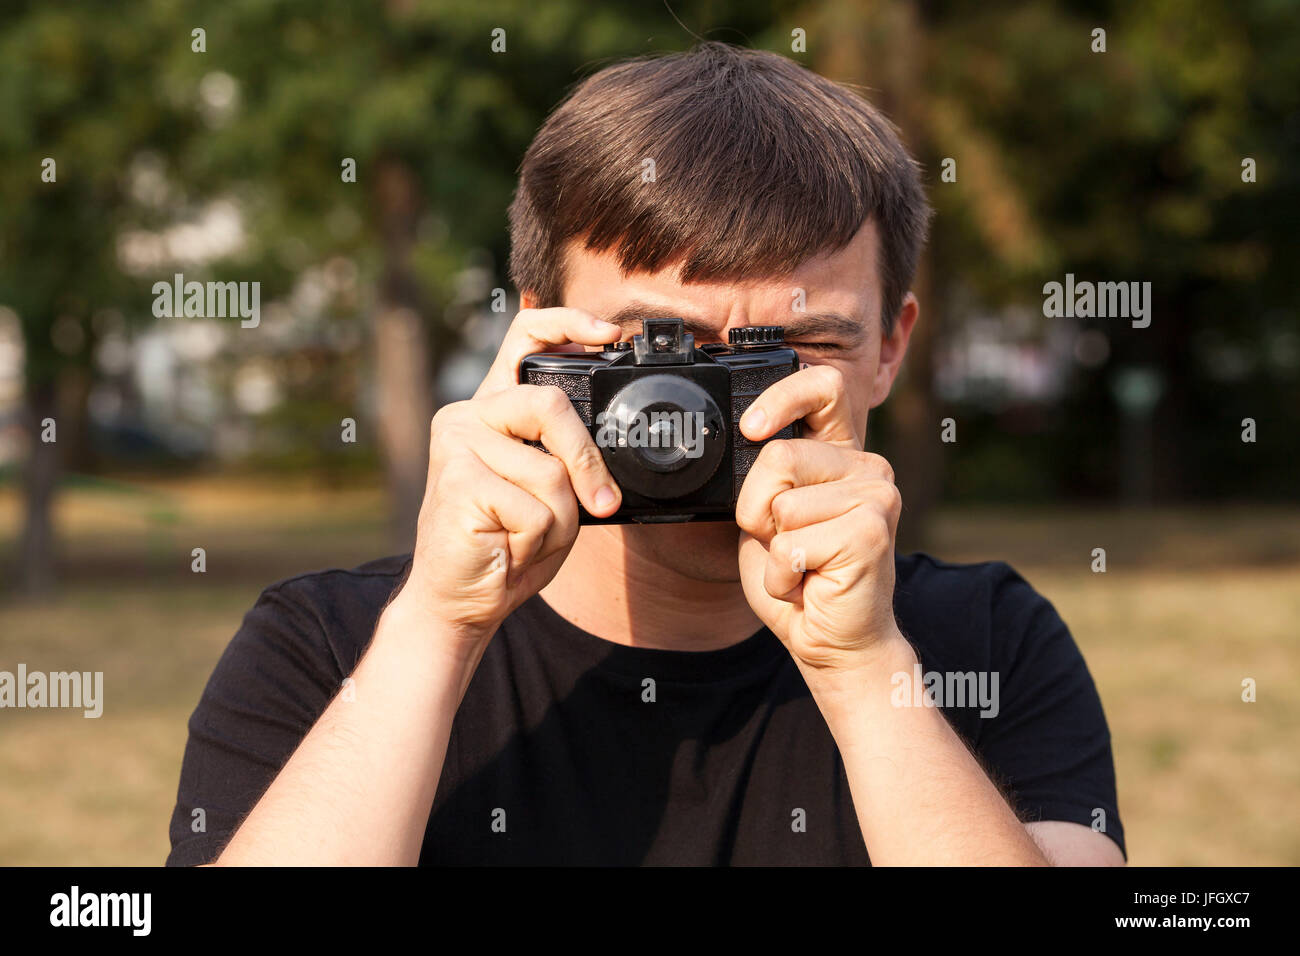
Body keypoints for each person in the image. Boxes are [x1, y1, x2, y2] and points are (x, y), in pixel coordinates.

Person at [167, 42, 1125, 866]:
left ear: (890, 349)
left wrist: (866, 670)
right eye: (652, 350)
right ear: (536, 345)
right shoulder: (333, 649)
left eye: (798, 351)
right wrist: (437, 625)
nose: (713, 414)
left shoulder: (981, 643)